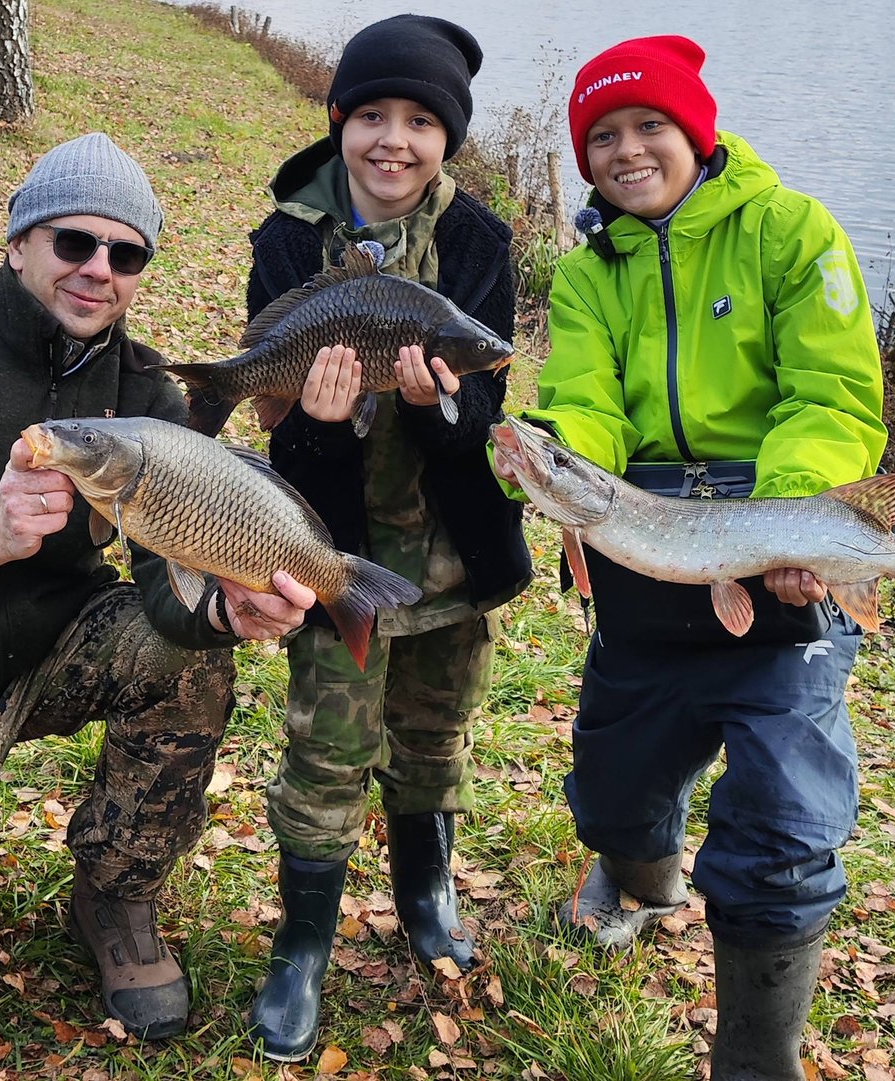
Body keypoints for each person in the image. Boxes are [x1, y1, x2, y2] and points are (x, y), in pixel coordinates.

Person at [0, 132, 314, 1053]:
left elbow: (164, 586)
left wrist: (223, 608)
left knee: (192, 653)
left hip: (45, 651)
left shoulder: (148, 391)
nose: (97, 270)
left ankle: (116, 890)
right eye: (73, 242)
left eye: (126, 254)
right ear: (19, 243)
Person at [495, 35, 886, 1081]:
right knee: (616, 799)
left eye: (648, 126)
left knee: (785, 829)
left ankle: (754, 1063)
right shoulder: (587, 275)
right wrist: (547, 458)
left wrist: (784, 522)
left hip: (779, 555)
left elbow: (833, 399)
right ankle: (639, 880)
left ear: (695, 132)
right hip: (645, 566)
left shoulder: (791, 233)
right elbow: (584, 403)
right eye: (603, 137)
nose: (627, 151)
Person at [240, 15, 532, 1063]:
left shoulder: (483, 245)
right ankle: (302, 943)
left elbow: (486, 417)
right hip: (333, 537)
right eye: (372, 116)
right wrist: (313, 416)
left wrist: (439, 408)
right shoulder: (284, 238)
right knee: (326, 746)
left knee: (433, 732)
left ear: (447, 138)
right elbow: (271, 408)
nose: (393, 141)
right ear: (339, 121)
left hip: (452, 544)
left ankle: (426, 894)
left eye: (420, 121)